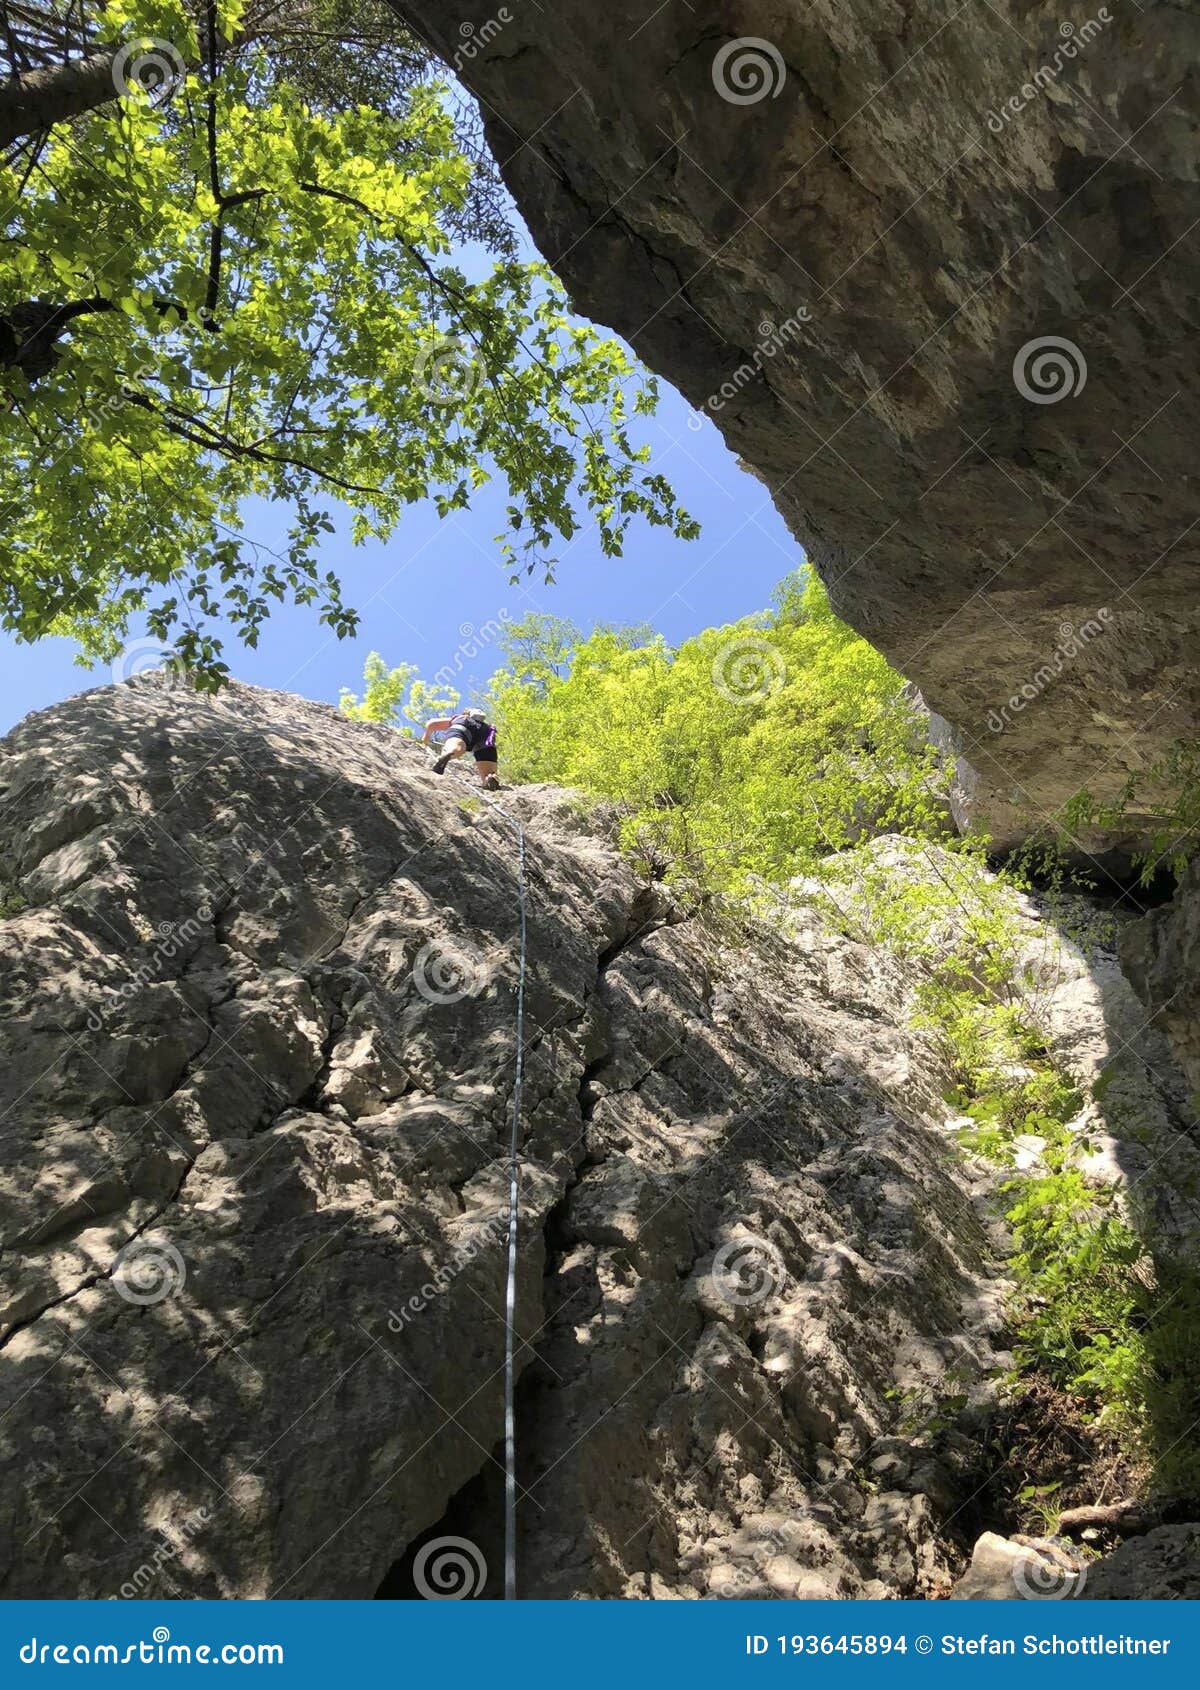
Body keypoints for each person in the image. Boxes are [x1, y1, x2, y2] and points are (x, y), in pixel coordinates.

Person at [422, 708, 501, 790]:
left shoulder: (462, 718)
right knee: (488, 772)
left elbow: (432, 723)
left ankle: (449, 752)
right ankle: (489, 778)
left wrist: (425, 740)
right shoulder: (486, 727)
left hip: (463, 726)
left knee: (456, 745)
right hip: (486, 735)